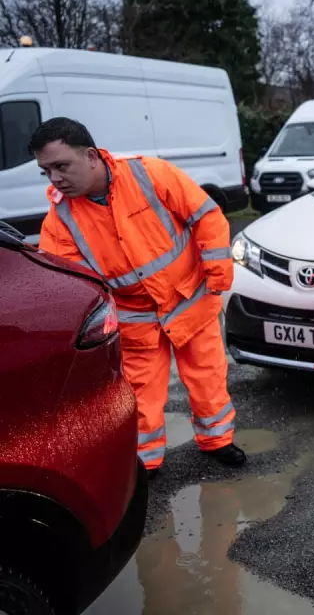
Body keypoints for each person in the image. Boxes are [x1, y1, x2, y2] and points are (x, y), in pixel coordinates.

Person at [31, 118, 246, 478]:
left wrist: (218, 273)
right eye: (46, 171)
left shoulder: (150, 174)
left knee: (207, 376)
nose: (54, 178)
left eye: (61, 166)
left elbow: (207, 216)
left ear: (91, 156)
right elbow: (70, 282)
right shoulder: (60, 220)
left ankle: (217, 440)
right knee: (141, 394)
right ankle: (145, 462)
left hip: (190, 298)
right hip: (135, 317)